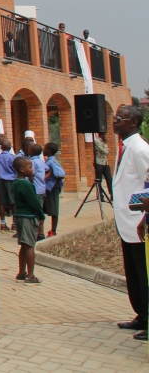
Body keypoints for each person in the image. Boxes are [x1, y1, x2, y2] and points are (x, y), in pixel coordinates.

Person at [112, 105, 149, 339]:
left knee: (144, 274)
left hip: (139, 223)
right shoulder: (124, 147)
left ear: (134, 123)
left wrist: (144, 218)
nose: (115, 122)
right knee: (134, 273)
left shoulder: (140, 149)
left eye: (120, 119)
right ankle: (142, 315)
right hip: (126, 221)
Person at [11, 155, 44, 285]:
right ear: (22, 170)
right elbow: (34, 202)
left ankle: (21, 273)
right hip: (28, 217)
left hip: (19, 216)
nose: (32, 169)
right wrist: (41, 215)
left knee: (24, 245)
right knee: (30, 245)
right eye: (30, 167)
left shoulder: (15, 183)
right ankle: (30, 276)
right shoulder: (26, 185)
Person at [43, 142, 65, 238]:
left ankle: (53, 230)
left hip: (51, 189)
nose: (43, 150)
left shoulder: (52, 162)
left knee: (54, 210)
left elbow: (60, 174)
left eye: (45, 148)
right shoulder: (48, 160)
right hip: (47, 189)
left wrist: (55, 184)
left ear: (48, 151)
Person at [0, 140, 17, 232]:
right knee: (13, 202)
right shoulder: (12, 157)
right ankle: (14, 224)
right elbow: (15, 168)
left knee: (2, 202)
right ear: (10, 148)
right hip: (11, 181)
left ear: (1, 147)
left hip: (1, 181)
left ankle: (2, 223)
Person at [28, 142, 46, 240]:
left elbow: (31, 174)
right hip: (42, 188)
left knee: (35, 210)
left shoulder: (33, 162)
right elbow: (47, 170)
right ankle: (41, 232)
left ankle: (37, 232)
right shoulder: (41, 161)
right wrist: (43, 179)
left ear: (32, 151)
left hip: (35, 189)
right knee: (40, 210)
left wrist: (29, 183)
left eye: (30, 149)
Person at [93, 132, 113, 197]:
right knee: (99, 180)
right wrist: (106, 149)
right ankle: (100, 195)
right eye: (104, 135)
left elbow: (106, 151)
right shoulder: (97, 141)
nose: (105, 136)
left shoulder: (104, 141)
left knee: (109, 179)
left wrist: (106, 149)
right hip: (99, 163)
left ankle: (112, 194)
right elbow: (104, 151)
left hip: (105, 163)